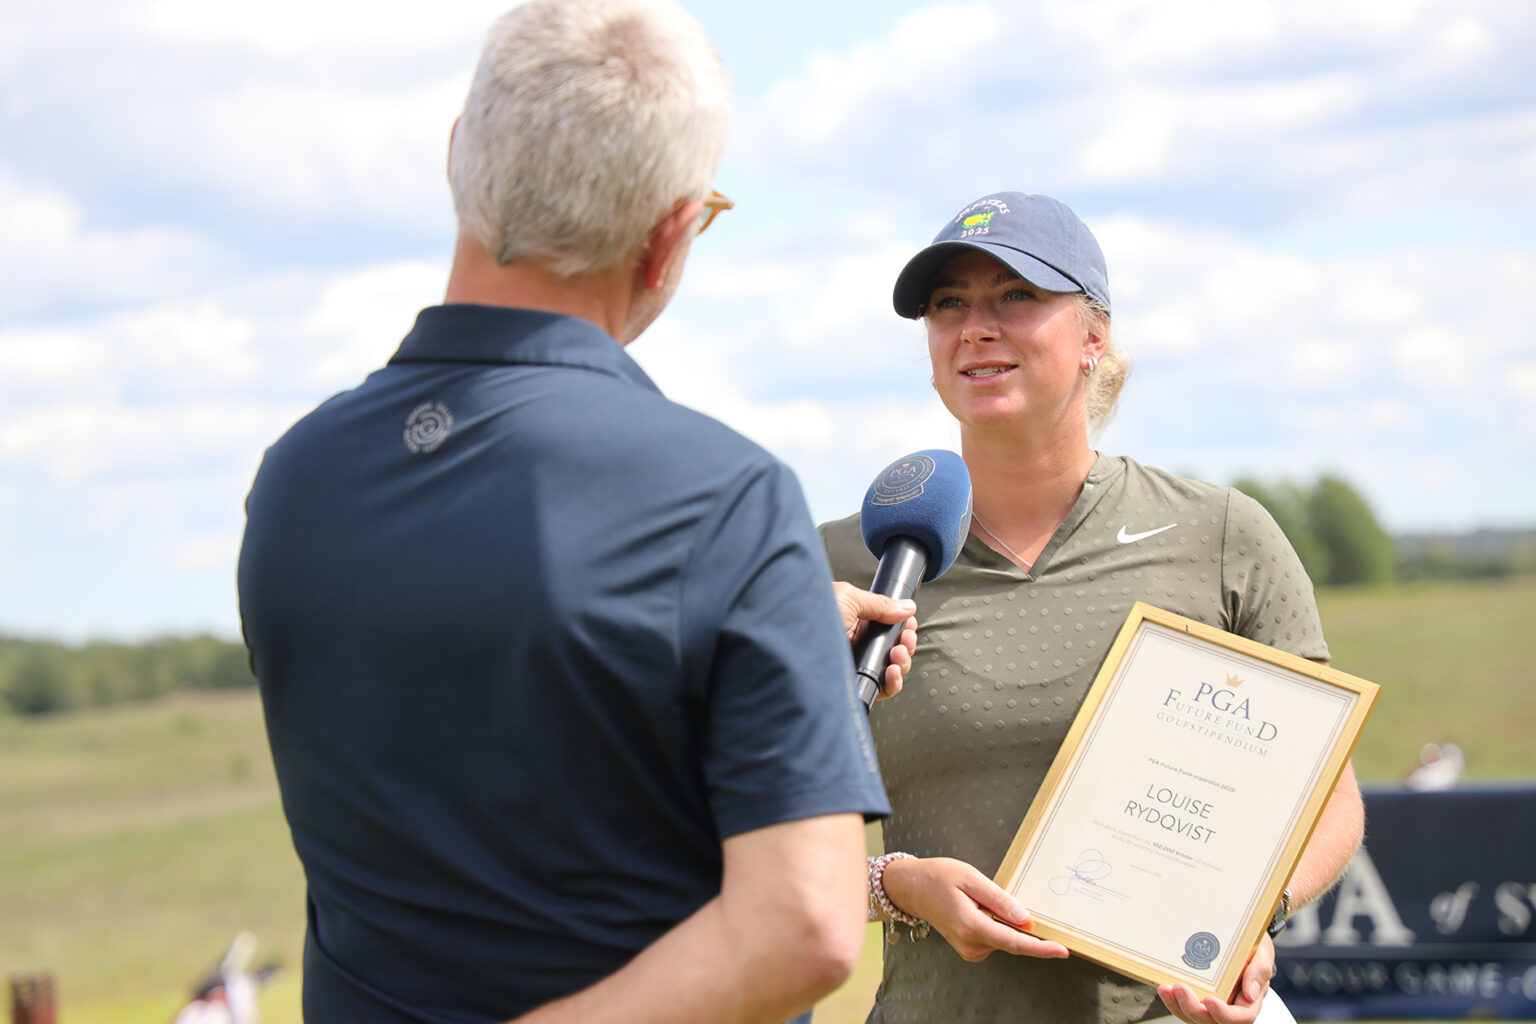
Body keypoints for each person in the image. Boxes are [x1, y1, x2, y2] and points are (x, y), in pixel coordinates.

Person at [237, 3, 913, 1021]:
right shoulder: (722, 498)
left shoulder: (295, 476)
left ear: (460, 159)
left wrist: (749, 635)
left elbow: (482, 687)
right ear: (669, 236)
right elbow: (807, 925)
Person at [821, 191, 1366, 1024]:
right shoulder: (839, 564)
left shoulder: (1220, 536)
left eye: (1019, 296)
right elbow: (738, 842)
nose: (976, 326)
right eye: (948, 304)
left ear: (1094, 337)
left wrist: (1253, 921)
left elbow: (1330, 797)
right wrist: (897, 888)